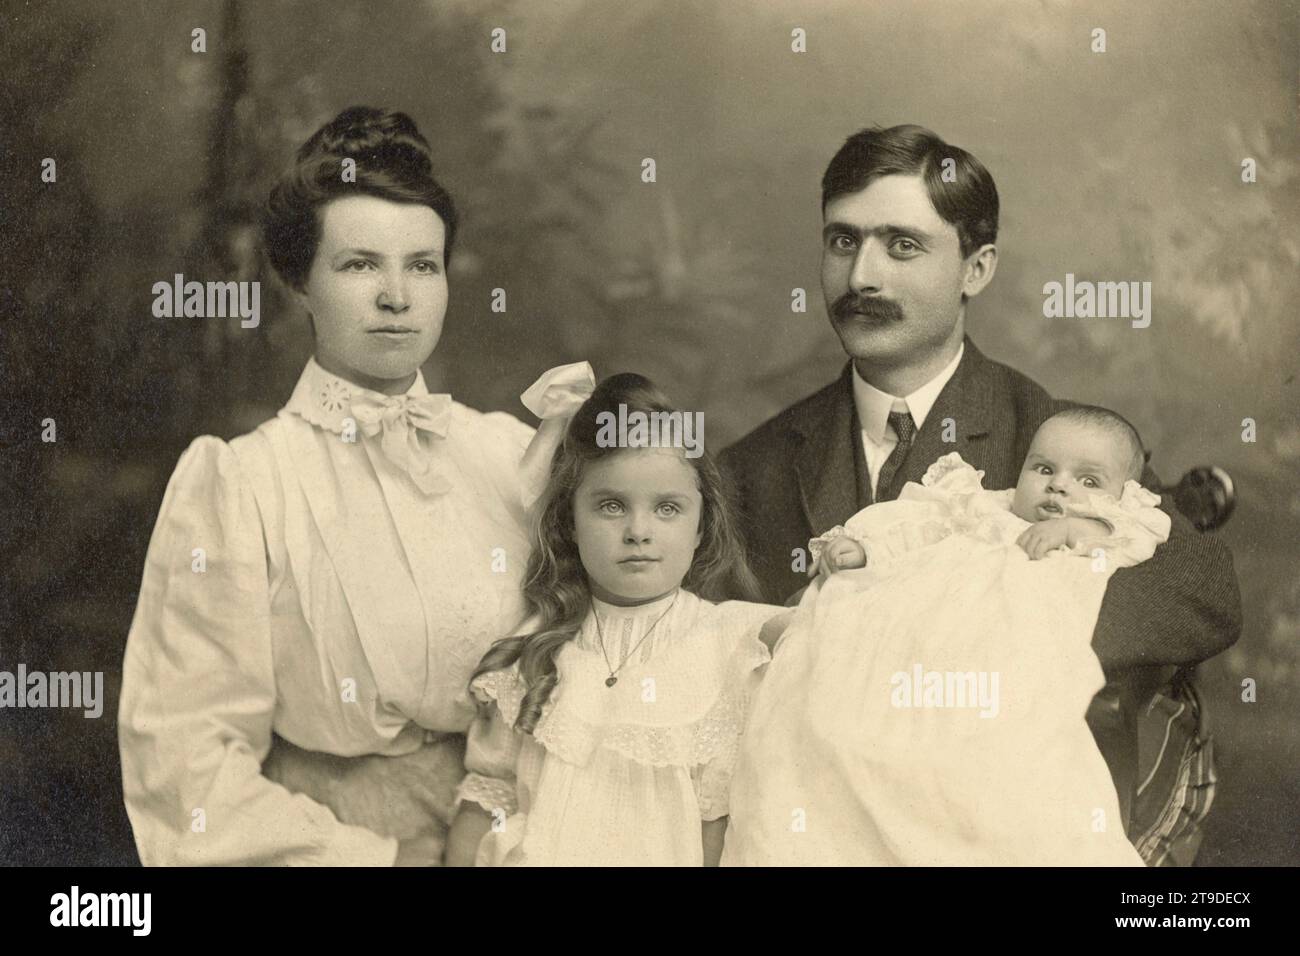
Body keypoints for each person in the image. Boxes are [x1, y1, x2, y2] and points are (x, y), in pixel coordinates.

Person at [720, 125, 1241, 859]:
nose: (862, 276)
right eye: (843, 242)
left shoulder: (1049, 438)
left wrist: (1008, 632)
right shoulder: (754, 468)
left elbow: (1202, 588)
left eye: (902, 246)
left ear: (977, 268)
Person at [119, 106, 543, 865]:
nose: (397, 296)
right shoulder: (243, 486)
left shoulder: (511, 457)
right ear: (300, 284)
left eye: (422, 264)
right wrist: (380, 859)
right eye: (358, 265)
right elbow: (185, 768)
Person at [724, 408, 1168, 865]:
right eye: (1044, 468)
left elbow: (1138, 534)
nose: (1059, 485)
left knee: (980, 759)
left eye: (1089, 482)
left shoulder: (1107, 532)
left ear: (1122, 497)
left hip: (998, 656)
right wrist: (865, 548)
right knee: (836, 704)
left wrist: (1076, 528)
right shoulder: (982, 508)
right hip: (912, 638)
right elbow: (915, 528)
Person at [444, 373, 785, 866]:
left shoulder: (728, 643)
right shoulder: (536, 651)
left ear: (700, 527)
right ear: (569, 523)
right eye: (611, 506)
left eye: (667, 508)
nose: (638, 532)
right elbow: (485, 802)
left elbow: (719, 831)